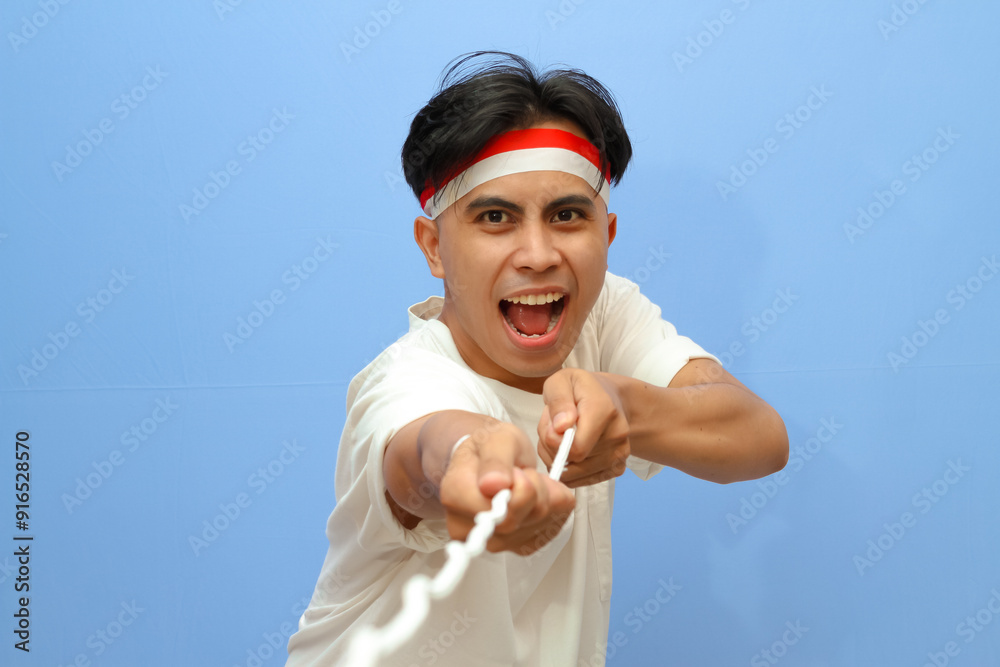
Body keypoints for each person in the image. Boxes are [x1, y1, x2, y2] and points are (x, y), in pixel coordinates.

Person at [285, 52, 788, 667]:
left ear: (605, 235)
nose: (538, 254)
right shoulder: (407, 380)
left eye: (567, 216)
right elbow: (422, 456)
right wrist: (478, 468)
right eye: (495, 217)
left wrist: (627, 405)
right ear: (433, 247)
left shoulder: (603, 313)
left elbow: (759, 437)